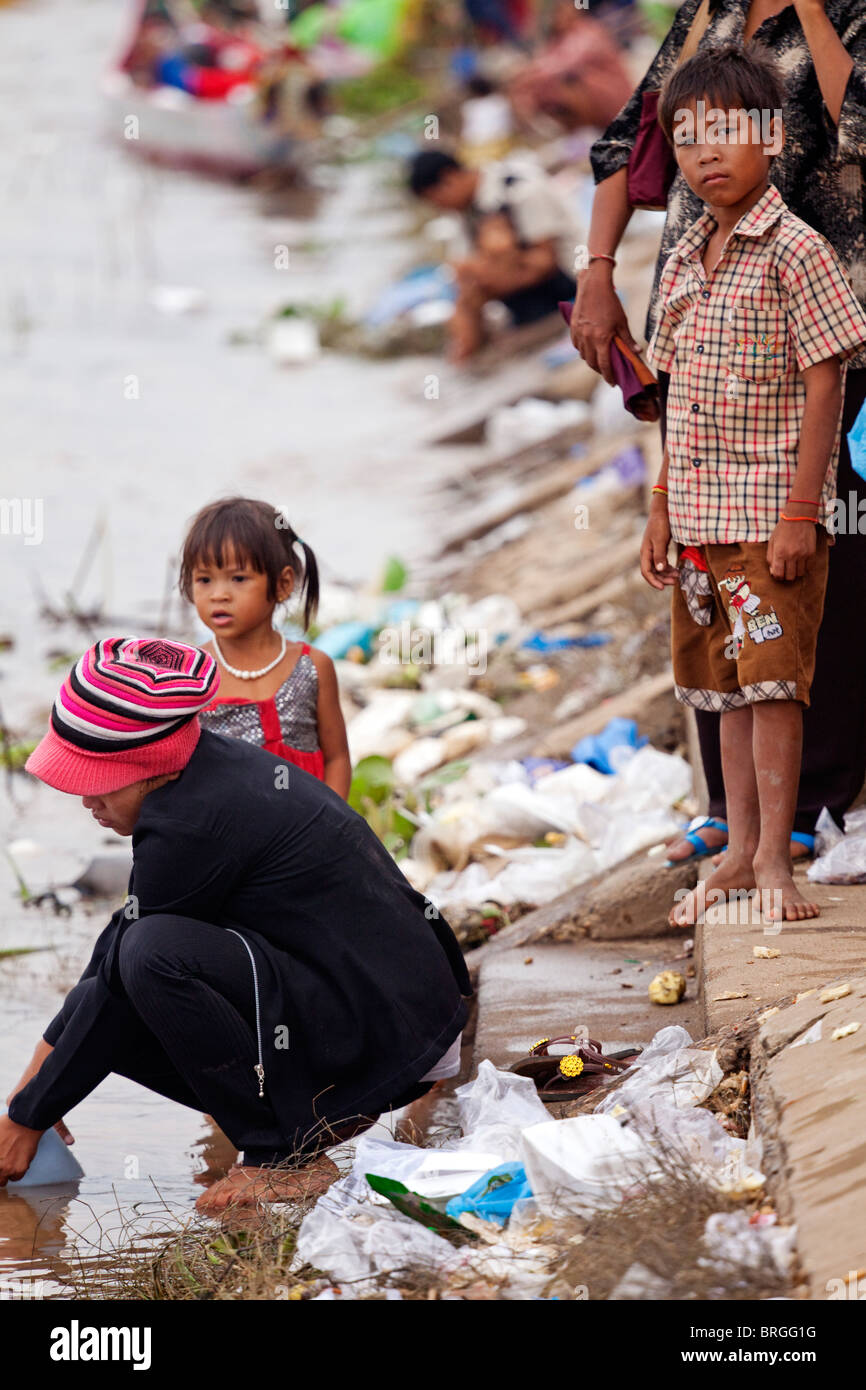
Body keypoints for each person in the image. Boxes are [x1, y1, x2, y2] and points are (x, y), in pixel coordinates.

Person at [1, 638, 471, 1212]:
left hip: (392, 1031)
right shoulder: (198, 772)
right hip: (382, 1006)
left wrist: (32, 1114)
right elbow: (110, 958)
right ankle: (290, 1135)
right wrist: (32, 1093)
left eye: (95, 781)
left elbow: (132, 966)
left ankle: (282, 1155)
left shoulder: (194, 822)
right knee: (131, 963)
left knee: (150, 959)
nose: (84, 801)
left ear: (147, 767)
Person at [572, 0, 866, 867]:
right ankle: (727, 808)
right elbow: (632, 142)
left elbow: (858, 127)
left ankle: (811, 800)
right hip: (705, 305)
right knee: (707, 579)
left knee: (821, 560)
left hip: (824, 313)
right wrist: (597, 271)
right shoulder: (712, 13)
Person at [180, 496, 351, 798]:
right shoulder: (191, 675)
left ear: (282, 584)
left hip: (306, 833)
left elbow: (337, 759)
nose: (219, 594)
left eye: (238, 578)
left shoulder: (313, 667)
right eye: (204, 579)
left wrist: (332, 831)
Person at [407, 149, 580, 361]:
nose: (439, 208)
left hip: (567, 281)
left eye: (436, 200)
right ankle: (465, 355)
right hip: (525, 290)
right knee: (465, 284)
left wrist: (486, 278)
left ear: (449, 178)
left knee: (485, 255)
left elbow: (545, 262)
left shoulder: (519, 188)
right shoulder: (466, 212)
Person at [508, 0, 634, 132]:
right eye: (552, 14)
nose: (555, 17)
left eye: (559, 11)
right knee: (540, 90)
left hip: (618, 106)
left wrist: (523, 78)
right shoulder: (558, 39)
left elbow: (560, 65)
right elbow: (545, 63)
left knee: (567, 85)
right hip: (596, 118)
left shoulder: (588, 32)